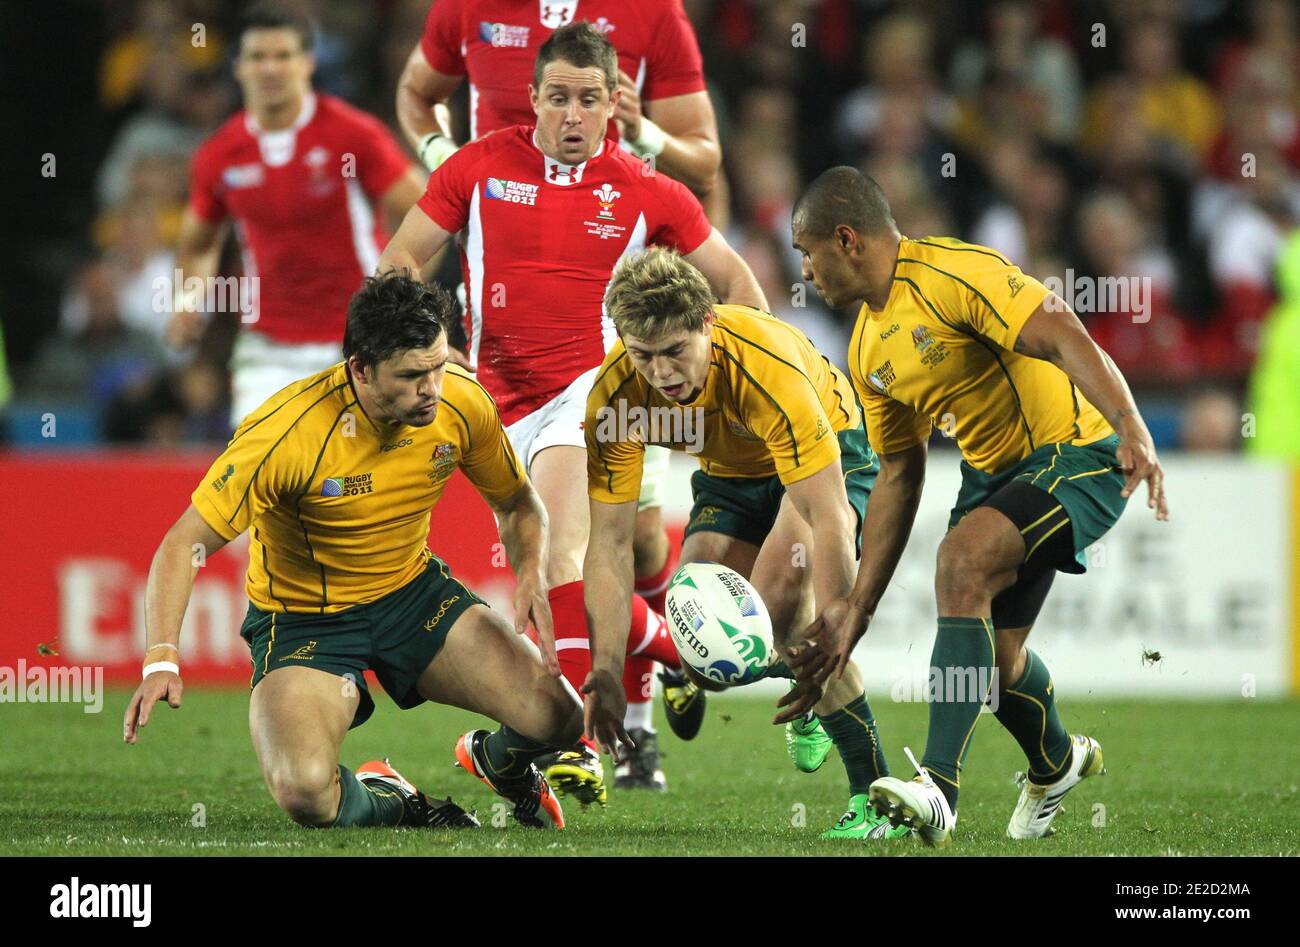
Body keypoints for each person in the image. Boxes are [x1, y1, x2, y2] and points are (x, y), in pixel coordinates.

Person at [378, 21, 767, 799]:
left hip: (589, 398)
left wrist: (734, 376)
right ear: (531, 101)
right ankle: (671, 646)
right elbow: (397, 262)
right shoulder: (476, 166)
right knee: (535, 578)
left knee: (559, 554)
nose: (573, 116)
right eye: (558, 98)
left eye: (590, 100)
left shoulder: (649, 189)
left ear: (613, 104)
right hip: (494, 406)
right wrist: (433, 347)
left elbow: (736, 285)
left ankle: (586, 741)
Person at [789, 167, 1168, 847]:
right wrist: (856, 608)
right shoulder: (866, 349)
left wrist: (1130, 421)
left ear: (846, 239)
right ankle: (1057, 762)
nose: (806, 272)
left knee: (960, 560)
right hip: (995, 476)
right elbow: (900, 475)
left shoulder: (953, 273)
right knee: (995, 663)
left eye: (806, 252)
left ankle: (938, 788)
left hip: (1080, 451)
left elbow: (1056, 327)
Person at [124, 274, 582, 831]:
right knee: (306, 793)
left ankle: (498, 761)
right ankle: (398, 801)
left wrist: (531, 573)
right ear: (360, 368)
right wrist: (162, 656)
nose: (432, 388)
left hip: (415, 599)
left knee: (561, 718)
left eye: (438, 366)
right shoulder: (286, 432)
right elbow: (184, 543)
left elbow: (516, 503)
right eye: (412, 375)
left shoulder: (459, 401)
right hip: (306, 623)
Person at [578, 247, 910, 840]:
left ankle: (876, 805)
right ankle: (781, 673)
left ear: (708, 320)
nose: (661, 374)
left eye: (676, 351)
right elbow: (607, 544)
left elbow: (828, 513)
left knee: (787, 612)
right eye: (643, 355)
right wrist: (604, 666)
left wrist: (837, 615)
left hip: (830, 455)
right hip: (731, 474)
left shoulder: (766, 361)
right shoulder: (615, 398)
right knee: (703, 641)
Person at [169, 3, 426, 425]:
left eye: (283, 56)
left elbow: (425, 212)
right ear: (239, 66)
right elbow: (199, 244)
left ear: (307, 63)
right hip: (266, 346)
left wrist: (407, 295)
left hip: (355, 342)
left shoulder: (352, 135)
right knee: (258, 478)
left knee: (351, 483)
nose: (270, 69)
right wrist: (188, 299)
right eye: (258, 57)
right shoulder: (218, 154)